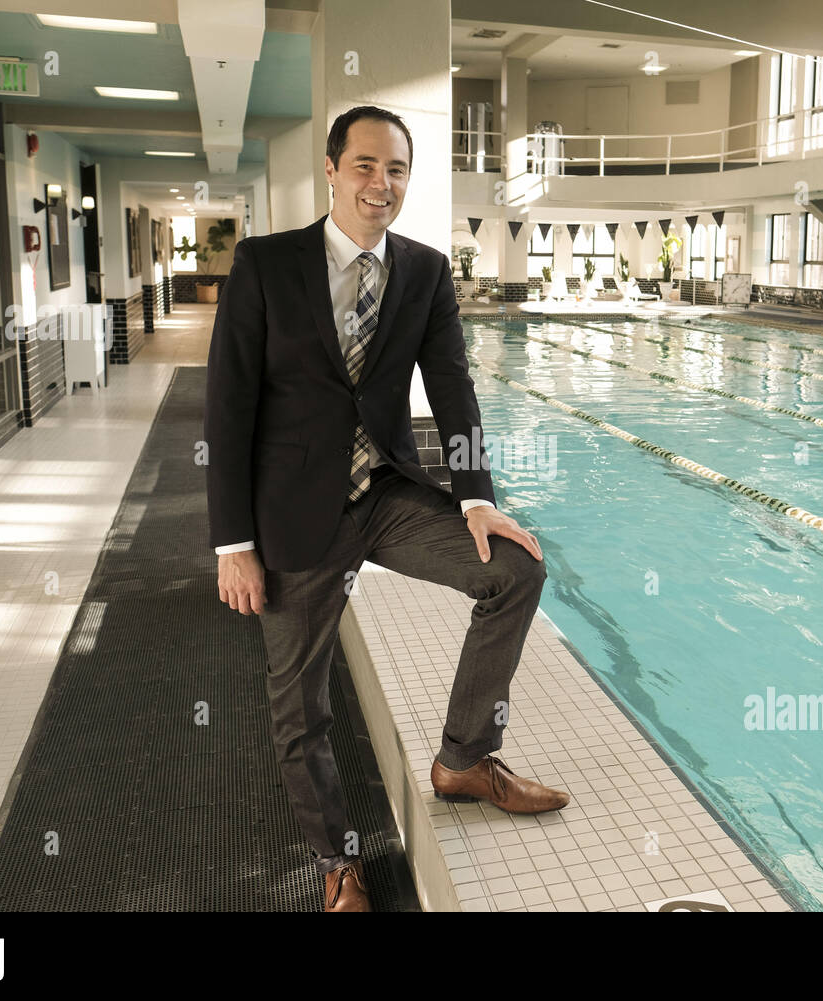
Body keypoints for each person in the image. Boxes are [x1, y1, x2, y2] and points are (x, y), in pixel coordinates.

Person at [204, 106, 567, 913]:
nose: (382, 183)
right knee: (300, 704)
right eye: (366, 165)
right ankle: (338, 860)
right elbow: (227, 409)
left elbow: (454, 389)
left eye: (397, 168)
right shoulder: (265, 266)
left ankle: (465, 758)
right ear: (331, 170)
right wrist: (233, 541)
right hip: (293, 512)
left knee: (515, 568)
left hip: (386, 493)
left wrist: (476, 496)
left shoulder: (426, 271)